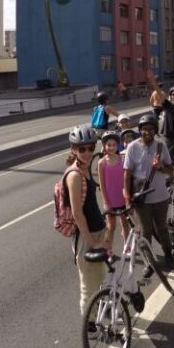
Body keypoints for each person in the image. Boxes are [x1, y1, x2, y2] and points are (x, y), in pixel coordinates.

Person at [123, 114, 174, 275]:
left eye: (151, 129)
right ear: (139, 130)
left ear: (155, 130)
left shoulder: (161, 146)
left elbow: (170, 170)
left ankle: (168, 255)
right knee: (145, 231)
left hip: (161, 196)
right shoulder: (132, 147)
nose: (147, 132)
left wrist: (160, 167)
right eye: (144, 129)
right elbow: (127, 174)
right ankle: (149, 262)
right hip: (141, 198)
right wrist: (127, 199)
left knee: (162, 228)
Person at [64, 125, 108, 315]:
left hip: (97, 230)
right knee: (87, 286)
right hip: (86, 236)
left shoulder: (86, 169)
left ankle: (98, 312)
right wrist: (92, 242)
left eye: (91, 147)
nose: (87, 152)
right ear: (74, 149)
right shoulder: (74, 175)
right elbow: (77, 213)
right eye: (82, 149)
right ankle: (89, 326)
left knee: (97, 278)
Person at [148, 71, 174, 167]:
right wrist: (153, 82)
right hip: (168, 139)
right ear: (170, 96)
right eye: (173, 94)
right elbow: (159, 93)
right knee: (169, 163)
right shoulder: (168, 105)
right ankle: (171, 181)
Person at [98, 130, 130, 244]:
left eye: (114, 145)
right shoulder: (102, 163)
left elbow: (126, 179)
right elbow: (102, 184)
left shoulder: (122, 159)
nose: (111, 147)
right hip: (110, 201)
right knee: (111, 227)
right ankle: (109, 250)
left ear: (118, 145)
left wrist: (128, 198)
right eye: (109, 145)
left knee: (125, 225)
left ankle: (127, 246)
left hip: (122, 199)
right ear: (104, 146)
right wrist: (106, 202)